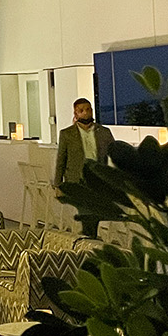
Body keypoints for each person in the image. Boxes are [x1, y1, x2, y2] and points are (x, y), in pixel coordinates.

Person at [53, 98, 114, 237]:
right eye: (81, 110)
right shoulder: (67, 134)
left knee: (93, 208)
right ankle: (90, 236)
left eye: (88, 109)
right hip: (77, 180)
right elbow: (61, 159)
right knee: (87, 208)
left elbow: (114, 153)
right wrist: (58, 184)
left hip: (98, 179)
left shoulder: (104, 132)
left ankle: (89, 237)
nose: (85, 113)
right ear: (76, 113)